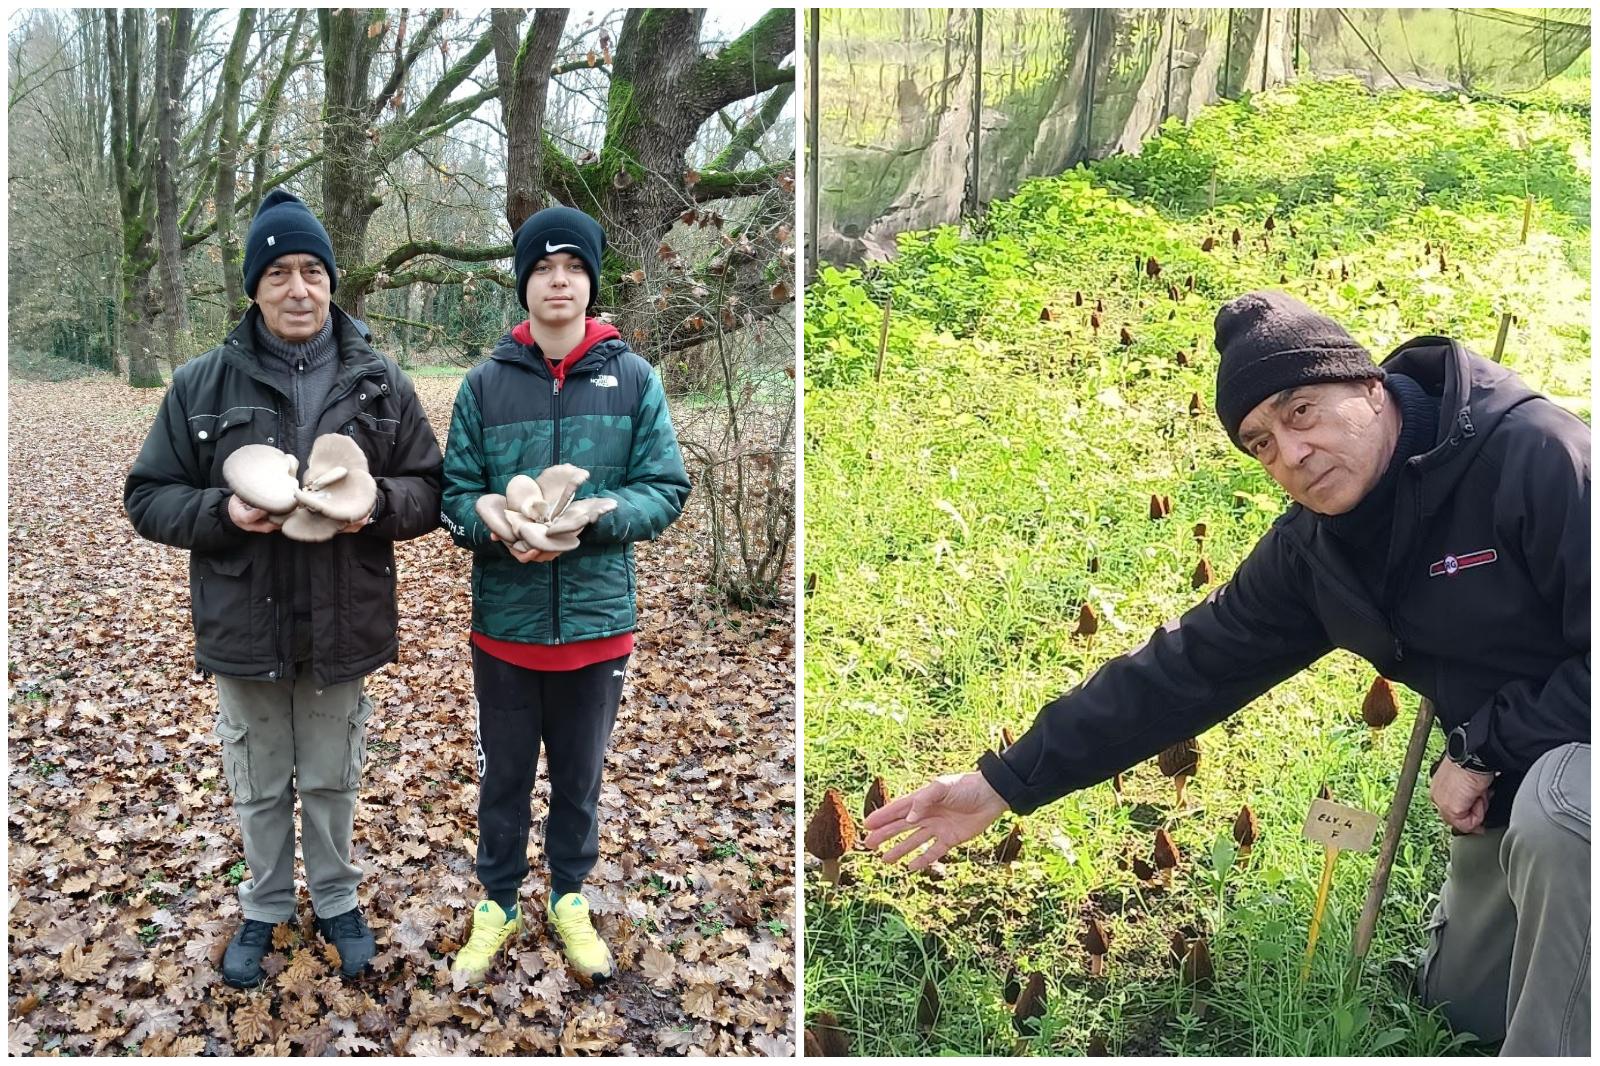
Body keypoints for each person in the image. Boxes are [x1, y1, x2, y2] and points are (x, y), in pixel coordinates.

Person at [864, 291, 1589, 1055]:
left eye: (1301, 411)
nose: (1292, 453)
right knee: (1462, 1010)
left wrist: (1484, 748)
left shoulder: (1535, 455)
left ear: (1369, 388)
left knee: (1558, 815)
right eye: (1261, 442)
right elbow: (1184, 668)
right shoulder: (1320, 551)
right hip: (1500, 780)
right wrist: (1003, 782)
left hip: (1560, 776)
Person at [124, 190, 444, 988]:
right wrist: (224, 512)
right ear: (254, 287)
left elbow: (430, 489)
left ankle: (336, 898)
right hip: (246, 620)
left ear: (332, 281)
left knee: (334, 774)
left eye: (312, 271)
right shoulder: (202, 384)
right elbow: (147, 495)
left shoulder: (378, 379)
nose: (298, 288)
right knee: (260, 778)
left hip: (344, 618)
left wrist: (375, 506)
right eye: (278, 273)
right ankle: (265, 905)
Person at [439, 205, 689, 984]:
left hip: (596, 628)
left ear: (590, 282)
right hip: (506, 632)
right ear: (524, 284)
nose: (558, 281)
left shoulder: (633, 378)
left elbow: (666, 486)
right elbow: (454, 493)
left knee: (580, 779)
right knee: (504, 778)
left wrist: (597, 522)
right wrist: (490, 525)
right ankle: (499, 902)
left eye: (573, 268)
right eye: (544, 269)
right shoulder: (485, 385)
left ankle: (570, 897)